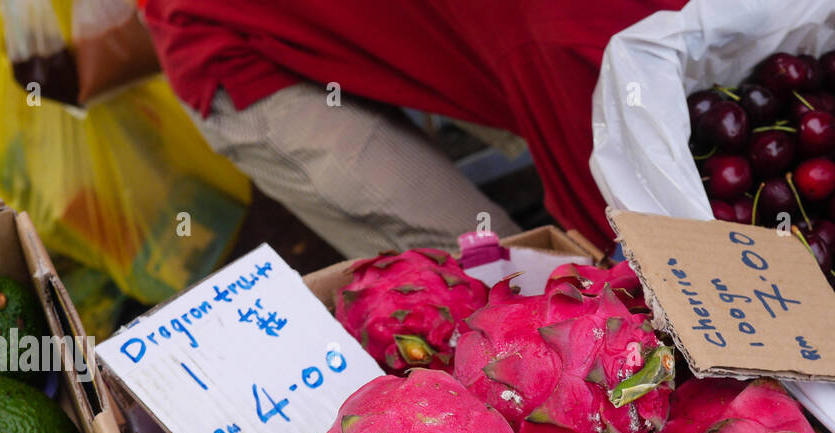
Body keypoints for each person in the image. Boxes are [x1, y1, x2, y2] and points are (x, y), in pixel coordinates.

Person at [141, 0, 686, 257]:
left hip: (394, 23)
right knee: (508, 274)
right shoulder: (569, 40)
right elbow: (633, 242)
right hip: (236, 38)